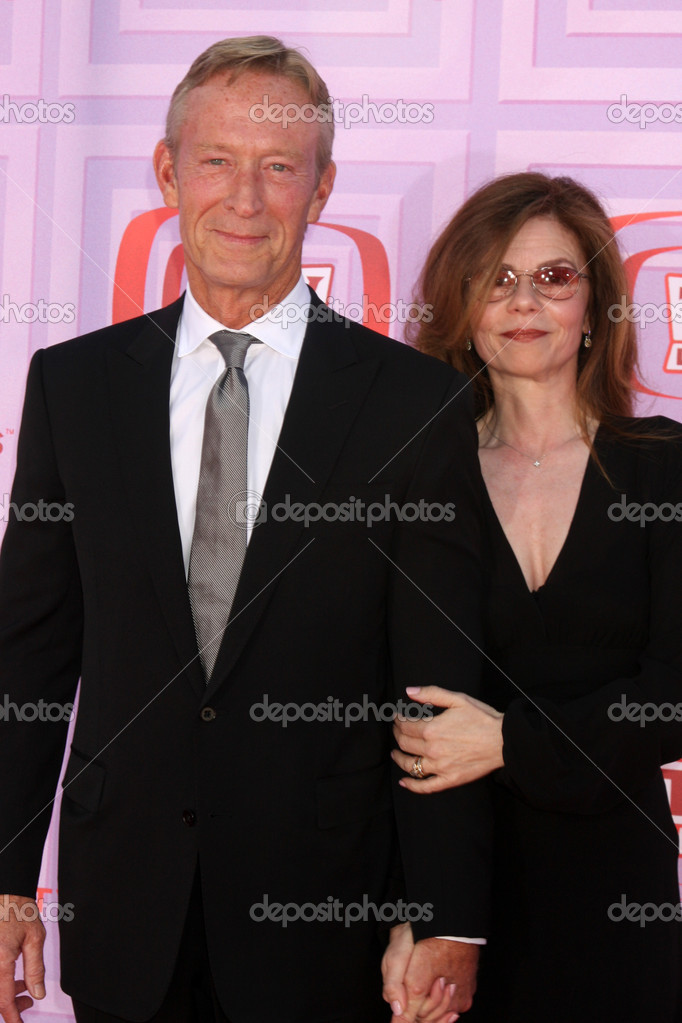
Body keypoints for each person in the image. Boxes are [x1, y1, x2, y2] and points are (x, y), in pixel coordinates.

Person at [0, 36, 492, 1023]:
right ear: (167, 170)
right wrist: (8, 877)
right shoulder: (75, 387)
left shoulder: (414, 405)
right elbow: (31, 657)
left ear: (322, 189)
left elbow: (437, 684)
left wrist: (445, 916)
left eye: (278, 168)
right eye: (218, 161)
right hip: (126, 903)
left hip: (324, 913)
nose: (245, 199)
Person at [385, 172, 682, 1022]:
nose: (524, 302)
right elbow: (390, 704)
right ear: (463, 304)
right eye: (498, 279)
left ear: (596, 308)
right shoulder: (414, 479)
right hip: (454, 894)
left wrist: (513, 739)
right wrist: (414, 907)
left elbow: (675, 691)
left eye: (555, 277)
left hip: (616, 889)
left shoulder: (665, 465)